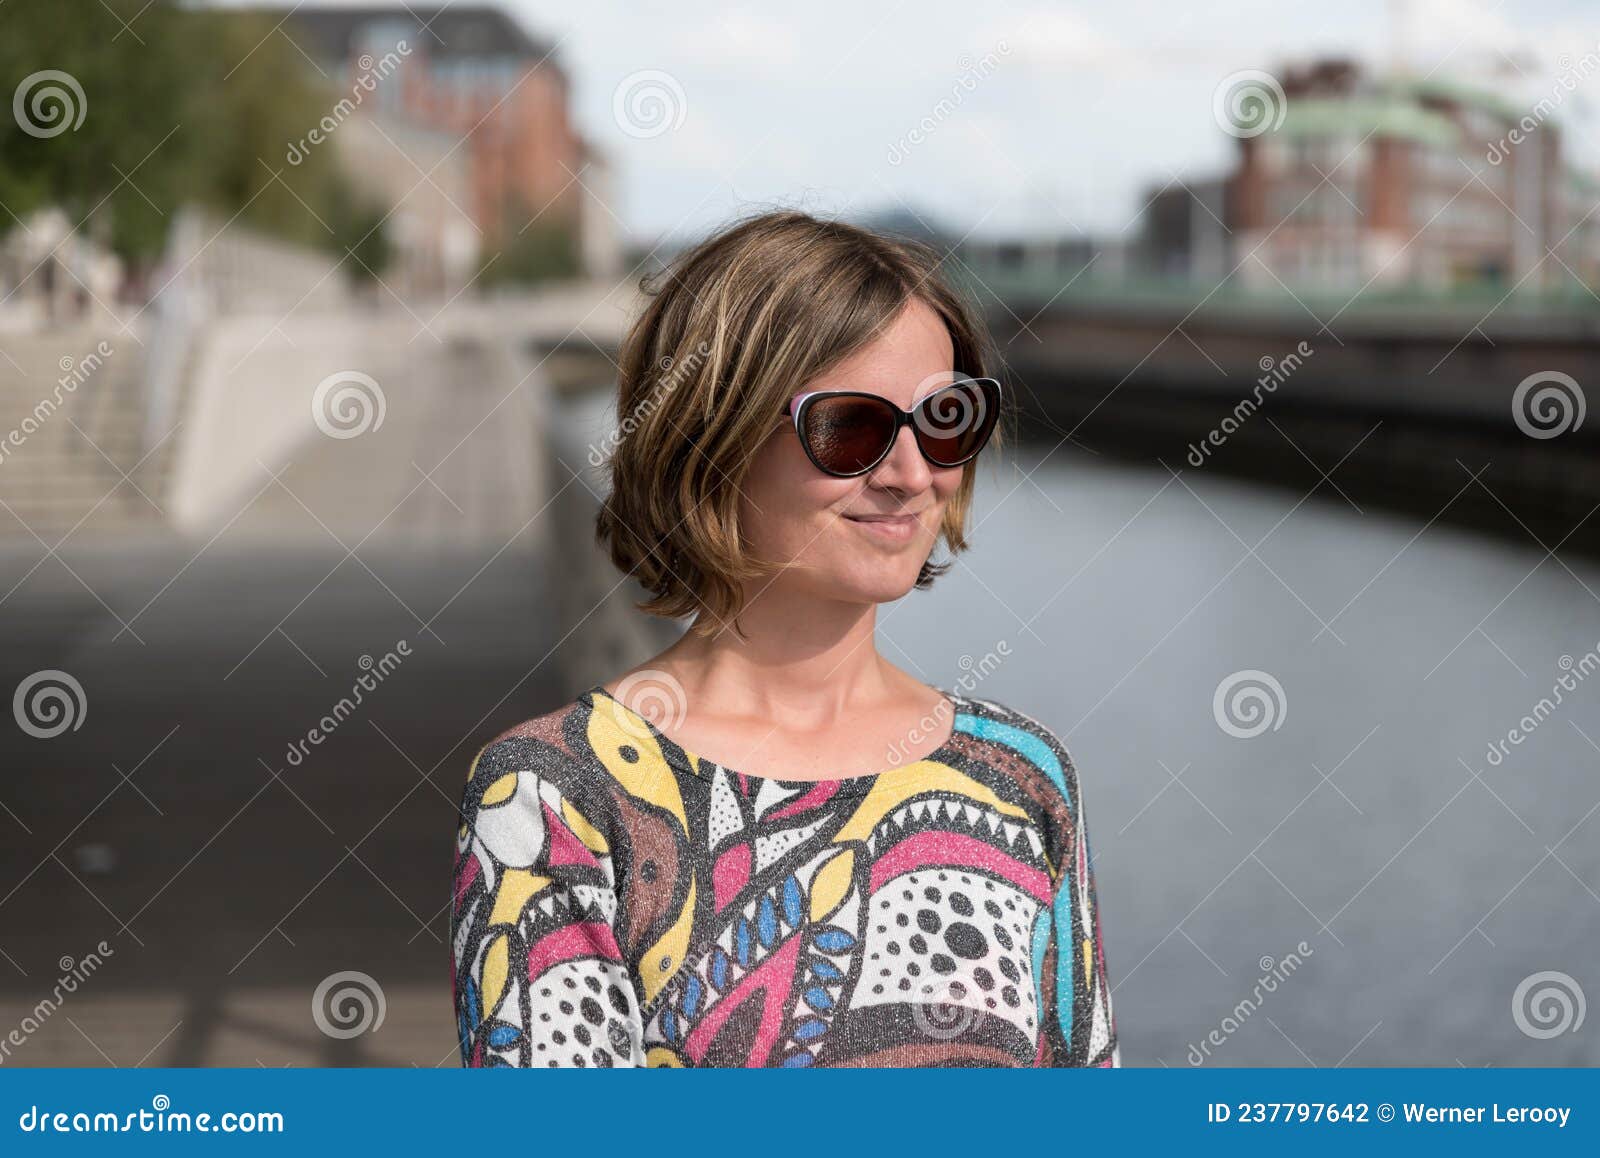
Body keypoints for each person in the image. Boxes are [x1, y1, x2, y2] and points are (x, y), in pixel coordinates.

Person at [450, 209, 1118, 1068]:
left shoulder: (1021, 778)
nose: (913, 475)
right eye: (850, 427)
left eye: (945, 417)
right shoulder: (552, 801)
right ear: (711, 438)